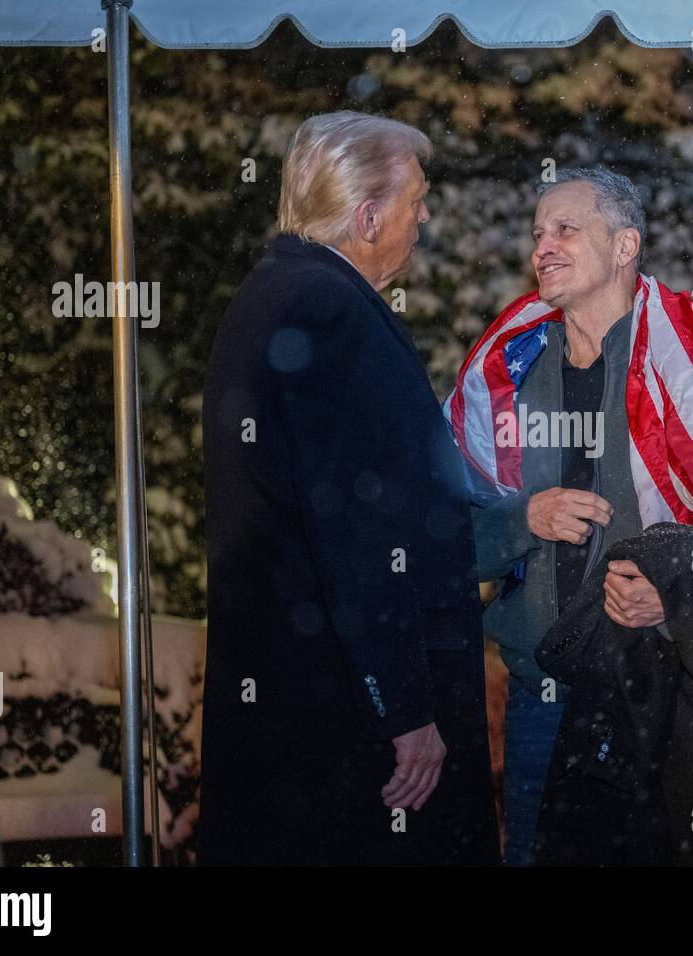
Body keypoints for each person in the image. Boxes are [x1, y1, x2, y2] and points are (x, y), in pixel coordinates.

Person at [445, 166, 693, 864]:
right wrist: (525, 520)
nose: (542, 248)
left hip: (669, 698)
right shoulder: (503, 380)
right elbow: (446, 545)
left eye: (565, 229)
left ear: (624, 246)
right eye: (536, 233)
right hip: (543, 704)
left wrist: (672, 592)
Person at [197, 112, 498, 864]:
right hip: (346, 726)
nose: (423, 214)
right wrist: (404, 710)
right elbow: (361, 532)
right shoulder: (329, 311)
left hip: (297, 698)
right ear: (367, 216)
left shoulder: (274, 292)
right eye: (415, 198)